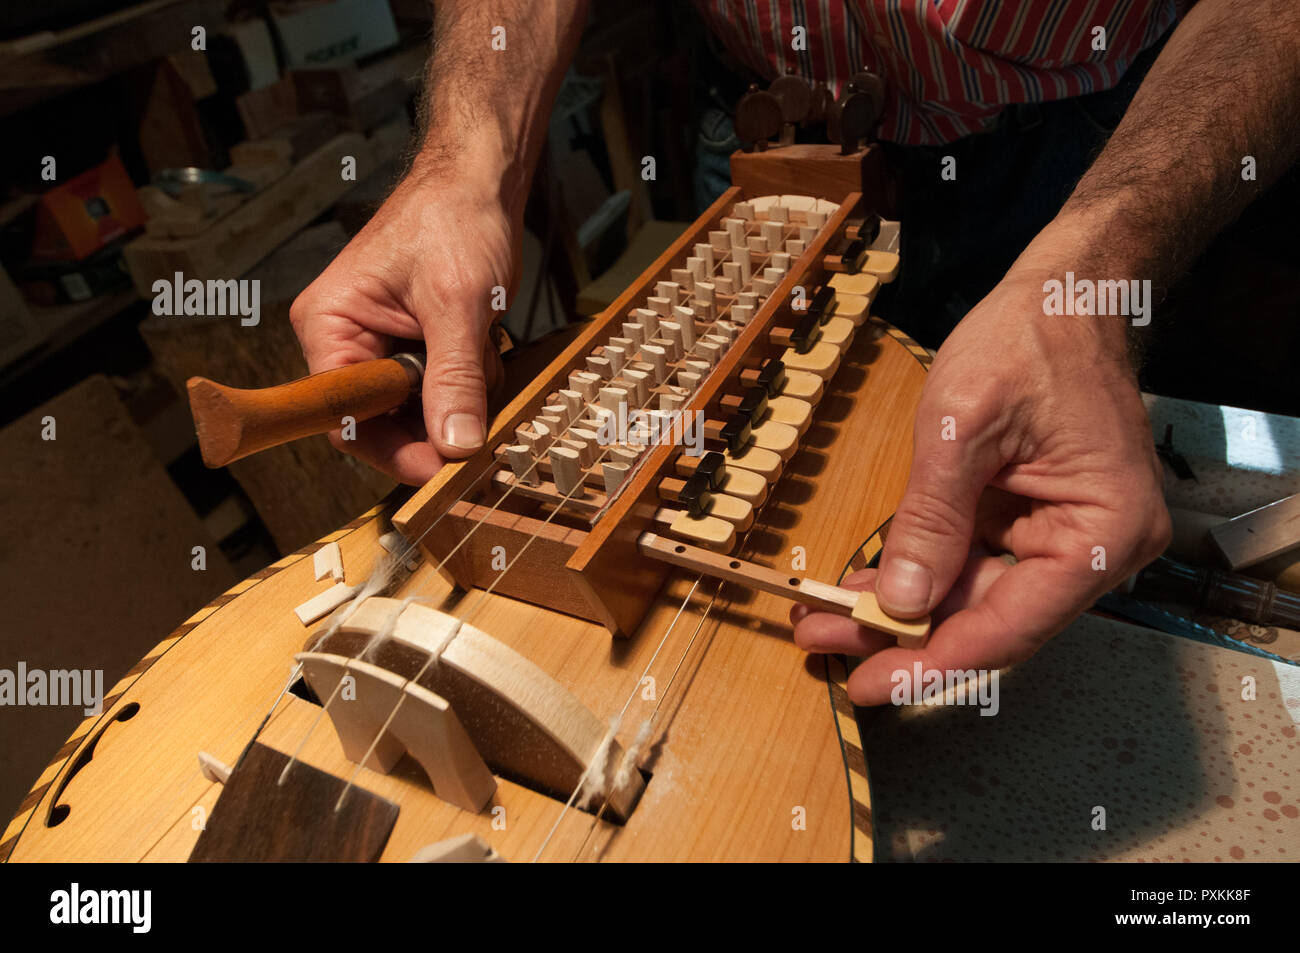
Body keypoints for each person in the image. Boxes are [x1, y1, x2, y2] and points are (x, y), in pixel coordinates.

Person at [289, 1, 1300, 705]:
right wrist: (467, 155)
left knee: (1044, 566)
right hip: (775, 123)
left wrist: (1092, 274)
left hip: (1098, 127)